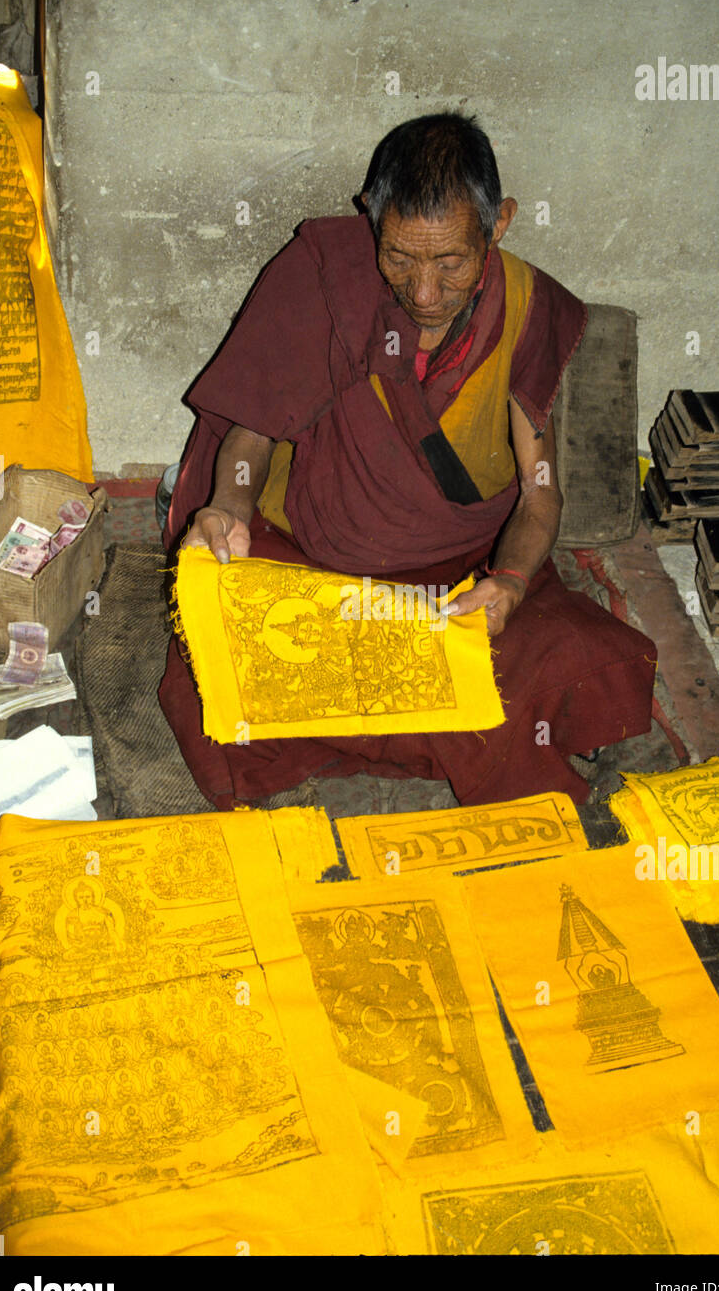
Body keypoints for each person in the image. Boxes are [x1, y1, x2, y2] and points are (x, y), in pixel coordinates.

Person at [159, 112, 657, 810]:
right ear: (370, 214)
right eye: (398, 257)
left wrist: (509, 584)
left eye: (450, 262)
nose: (422, 293)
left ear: (500, 222)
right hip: (308, 564)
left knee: (573, 662)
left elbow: (540, 493)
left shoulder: (522, 309)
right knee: (218, 679)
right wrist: (226, 508)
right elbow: (248, 436)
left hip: (451, 581)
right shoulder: (325, 273)